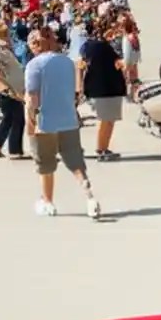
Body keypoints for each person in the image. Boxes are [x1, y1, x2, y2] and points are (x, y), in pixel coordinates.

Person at [25, 28, 100, 219]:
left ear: (36, 45)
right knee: (75, 160)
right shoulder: (67, 62)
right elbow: (75, 91)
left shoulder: (35, 65)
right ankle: (89, 195)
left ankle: (48, 202)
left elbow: (32, 96)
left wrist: (30, 122)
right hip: (68, 119)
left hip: (45, 121)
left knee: (46, 164)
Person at [79, 23, 126, 160]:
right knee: (106, 120)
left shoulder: (87, 46)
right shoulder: (104, 47)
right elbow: (117, 64)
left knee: (107, 120)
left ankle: (103, 148)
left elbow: (82, 65)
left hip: (99, 88)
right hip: (107, 88)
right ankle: (101, 149)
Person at [0, 19, 27, 158]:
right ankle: (12, 148)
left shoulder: (2, 46)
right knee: (16, 117)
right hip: (6, 89)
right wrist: (6, 89)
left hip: (11, 88)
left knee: (11, 117)